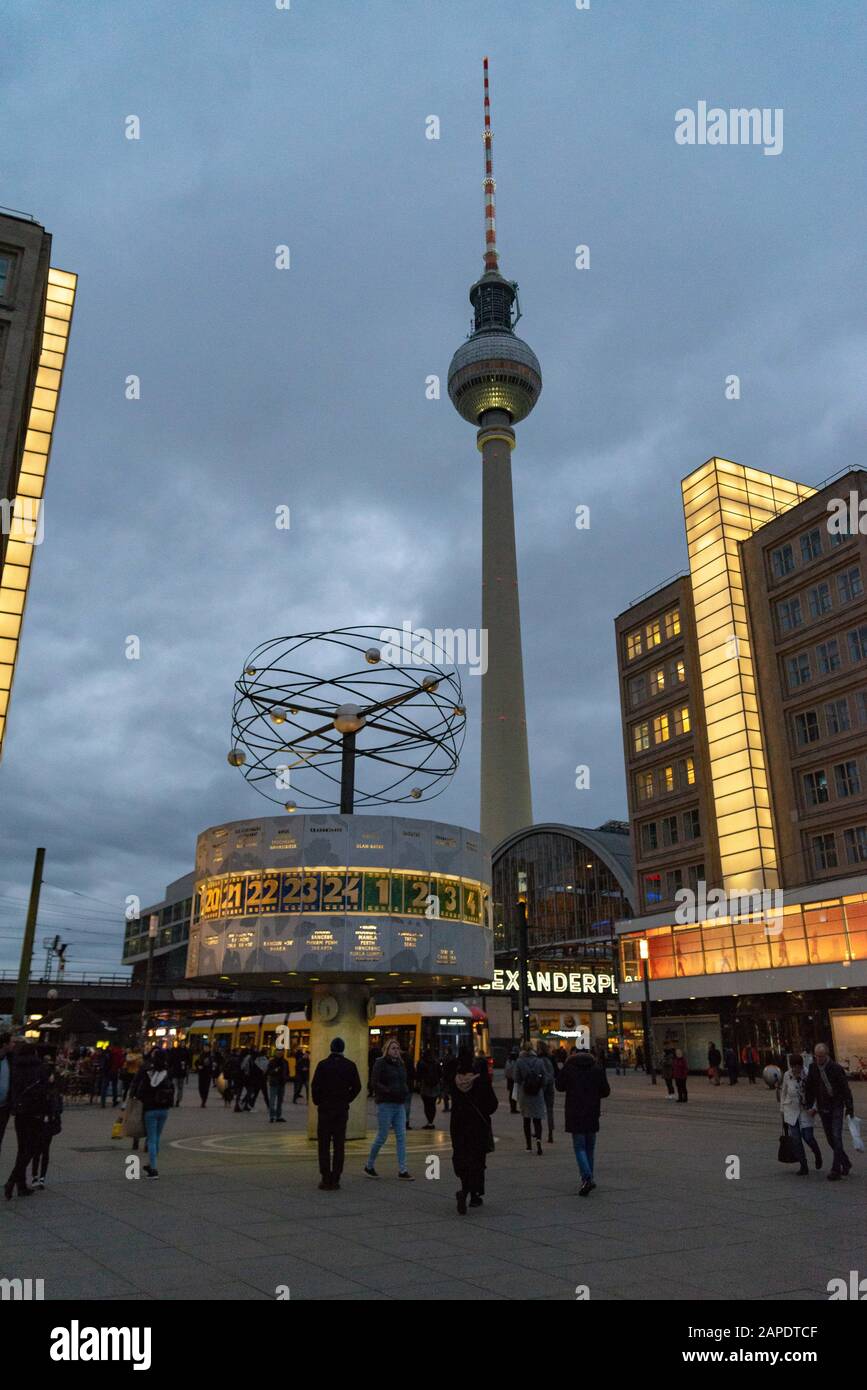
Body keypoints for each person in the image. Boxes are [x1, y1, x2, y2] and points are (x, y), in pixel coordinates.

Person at [556, 1045, 611, 1196]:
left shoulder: (569, 1067)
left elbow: (559, 1086)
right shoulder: (596, 1068)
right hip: (592, 1111)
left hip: (575, 1112)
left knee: (579, 1147)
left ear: (573, 1053)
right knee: (589, 1148)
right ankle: (588, 1177)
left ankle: (587, 1177)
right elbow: (606, 1091)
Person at [449, 1047, 498, 1214]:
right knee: (477, 1160)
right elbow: (492, 1104)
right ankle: (474, 1195)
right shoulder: (481, 1081)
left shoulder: (454, 1081)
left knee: (462, 1158)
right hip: (478, 1126)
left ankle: (464, 1188)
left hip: (458, 1126)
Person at [311, 1037, 362, 1190]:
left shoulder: (322, 1065)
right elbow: (357, 1087)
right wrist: (347, 1099)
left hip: (325, 1110)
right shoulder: (350, 1066)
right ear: (343, 1049)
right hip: (341, 1110)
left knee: (324, 1144)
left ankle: (325, 1178)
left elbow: (315, 1087)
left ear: (331, 1048)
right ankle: (336, 1177)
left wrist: (318, 1102)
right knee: (339, 1145)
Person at [364, 1037, 414, 1180]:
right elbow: (374, 1082)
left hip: (399, 1105)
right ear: (387, 1050)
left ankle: (403, 1170)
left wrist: (404, 1090)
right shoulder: (380, 1063)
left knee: (401, 1137)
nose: (396, 1051)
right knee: (382, 1136)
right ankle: (369, 1165)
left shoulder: (400, 1064)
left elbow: (404, 1080)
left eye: (398, 1049)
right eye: (393, 1048)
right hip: (385, 1104)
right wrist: (387, 1091)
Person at [804, 1042, 854, 1181]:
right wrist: (809, 1104)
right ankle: (846, 1162)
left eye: (821, 1056)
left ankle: (835, 1169)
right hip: (823, 1106)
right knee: (831, 1139)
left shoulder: (836, 1068)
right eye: (817, 1056)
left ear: (827, 1055)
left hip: (836, 1105)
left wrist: (849, 1107)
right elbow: (810, 1087)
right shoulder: (813, 1068)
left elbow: (845, 1088)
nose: (818, 1059)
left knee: (836, 1136)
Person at [5, 1042, 49, 1198]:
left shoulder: (14, 1067)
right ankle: (12, 1181)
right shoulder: (40, 1067)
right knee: (31, 1148)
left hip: (20, 1112)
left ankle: (21, 1185)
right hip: (35, 1112)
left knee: (22, 1147)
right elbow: (46, 1090)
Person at [133, 1049, 175, 1178]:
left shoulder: (148, 1073)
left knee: (151, 1139)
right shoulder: (167, 1074)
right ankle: (151, 1164)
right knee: (156, 1137)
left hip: (150, 1110)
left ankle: (154, 1169)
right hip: (164, 1110)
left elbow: (141, 1092)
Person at [779, 1053, 823, 1176]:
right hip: (791, 1109)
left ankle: (817, 1152)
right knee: (796, 1139)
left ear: (801, 1066)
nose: (794, 1069)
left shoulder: (808, 1074)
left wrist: (814, 1108)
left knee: (808, 1136)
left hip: (806, 1110)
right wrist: (782, 1110)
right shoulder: (787, 1075)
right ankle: (803, 1165)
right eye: (792, 1066)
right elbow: (783, 1093)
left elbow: (816, 1093)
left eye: (796, 1067)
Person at [30, 1056, 63, 1189]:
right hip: (48, 1122)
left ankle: (35, 1176)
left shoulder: (38, 1089)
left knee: (37, 1151)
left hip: (39, 1122)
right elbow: (59, 1109)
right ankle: (41, 1177)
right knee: (44, 1150)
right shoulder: (53, 1091)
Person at [515, 1042, 546, 1155]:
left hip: (525, 1093)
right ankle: (538, 1142)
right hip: (537, 1094)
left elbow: (516, 1078)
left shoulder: (519, 1061)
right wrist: (540, 1086)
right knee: (537, 1120)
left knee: (526, 1120)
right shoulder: (539, 1061)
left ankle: (528, 1145)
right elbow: (545, 1078)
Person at [416, 1049, 441, 1128]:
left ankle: (428, 1121)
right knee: (432, 1105)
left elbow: (418, 1074)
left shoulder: (421, 1062)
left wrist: (418, 1082)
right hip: (435, 1086)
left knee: (426, 1105)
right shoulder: (436, 1062)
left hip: (425, 1086)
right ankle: (431, 1122)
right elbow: (441, 1073)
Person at [537, 1042, 556, 1144]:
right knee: (550, 1110)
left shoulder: (538, 1060)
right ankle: (550, 1132)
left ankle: (538, 1131)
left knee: (539, 1110)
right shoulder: (551, 1058)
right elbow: (556, 1072)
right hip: (550, 1086)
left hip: (542, 1086)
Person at [267, 1051, 289, 1122]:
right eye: (278, 1053)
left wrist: (286, 1078)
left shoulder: (285, 1062)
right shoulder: (272, 1061)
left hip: (281, 1083)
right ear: (275, 1053)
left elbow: (287, 1072)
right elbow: (268, 1072)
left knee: (280, 1101)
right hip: (274, 1083)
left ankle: (278, 1116)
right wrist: (274, 1071)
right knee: (272, 1101)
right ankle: (272, 1116)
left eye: (281, 1053)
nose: (280, 1054)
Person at [0, 1033, 11, 1156]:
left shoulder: (11, 1060)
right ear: (5, 1044)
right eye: (12, 1042)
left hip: (4, 1107)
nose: (14, 1045)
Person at [403, 1049, 416, 1130]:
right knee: (407, 1104)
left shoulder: (398, 1063)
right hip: (409, 1085)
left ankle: (398, 1121)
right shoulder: (410, 1063)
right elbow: (414, 1074)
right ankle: (406, 1122)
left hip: (400, 1086)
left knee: (399, 1105)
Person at [504, 1047, 519, 1113]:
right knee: (514, 1094)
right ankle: (513, 1108)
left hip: (509, 1079)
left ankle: (512, 1107)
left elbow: (506, 1071)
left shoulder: (508, 1061)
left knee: (511, 1094)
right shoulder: (515, 1061)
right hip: (514, 1079)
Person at [440, 1046, 455, 1112]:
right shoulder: (454, 1058)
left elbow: (442, 1066)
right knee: (452, 1093)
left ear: (447, 1051)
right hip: (452, 1077)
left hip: (446, 1077)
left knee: (445, 1093)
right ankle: (453, 1107)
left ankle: (446, 1107)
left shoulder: (445, 1058)